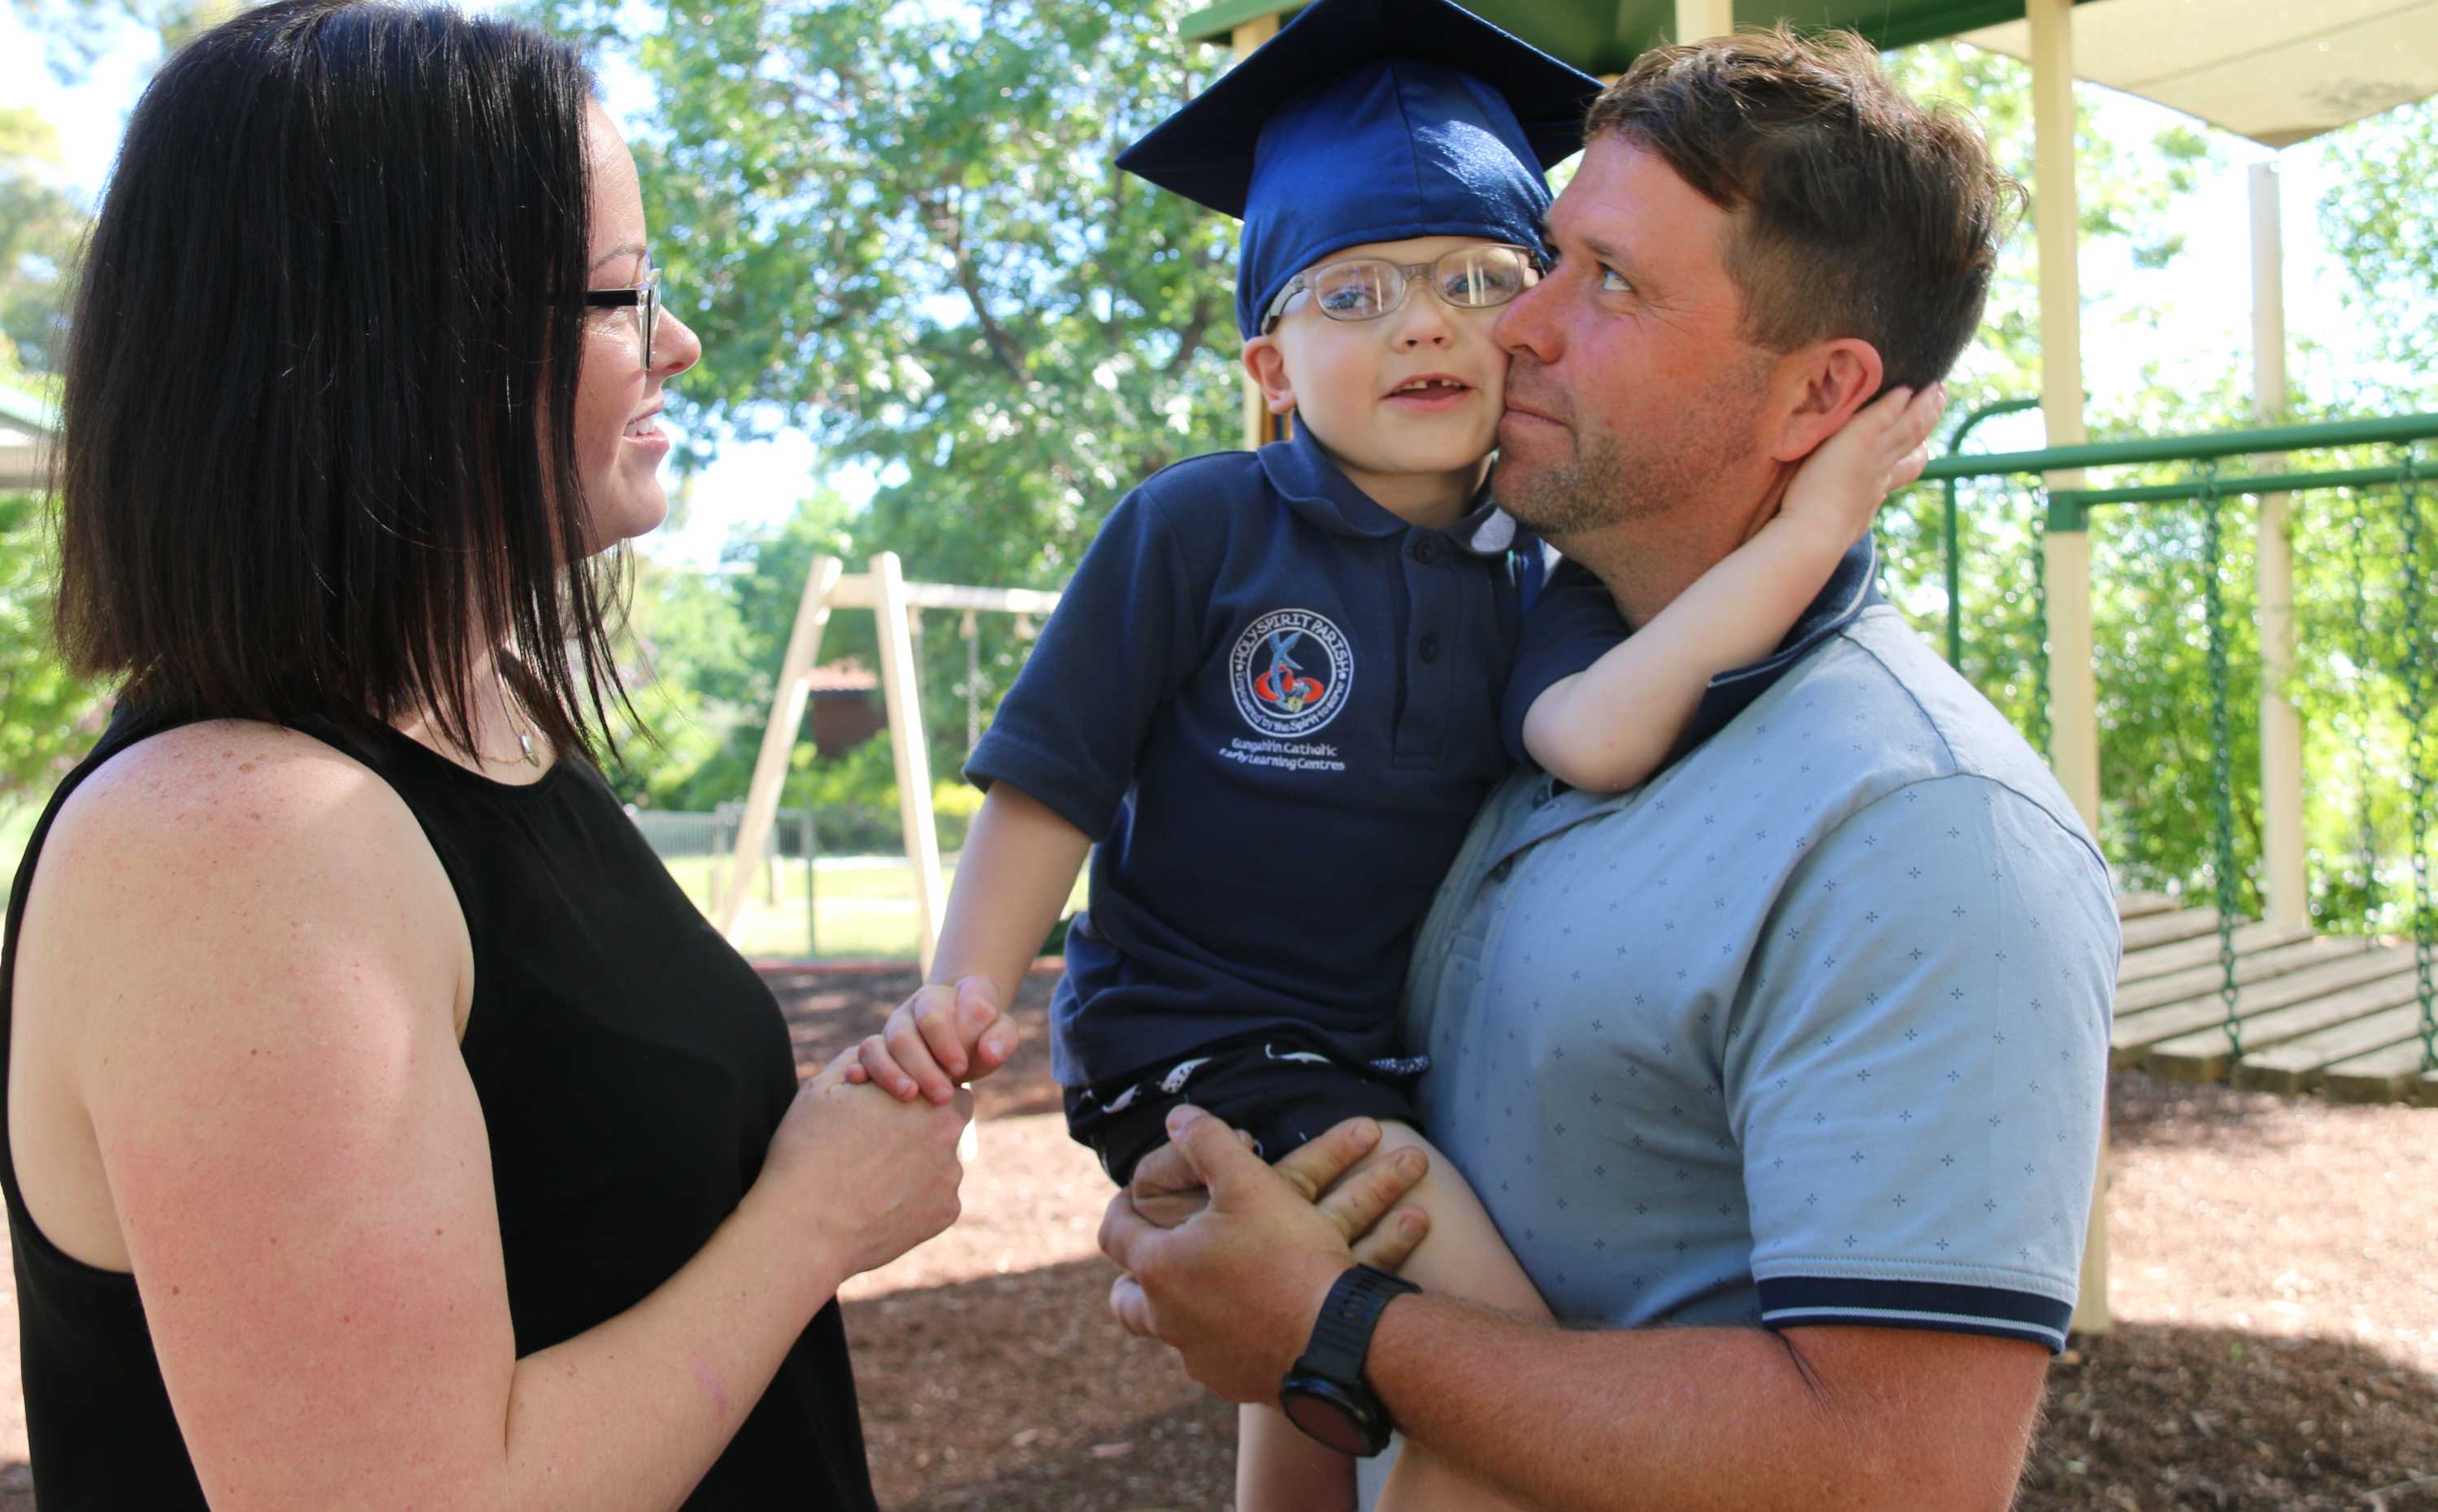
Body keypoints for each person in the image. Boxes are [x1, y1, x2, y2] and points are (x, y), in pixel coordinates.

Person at [844, 2, 1937, 1507]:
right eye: (1350, 292)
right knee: (1484, 1367)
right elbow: (1053, 781)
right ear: (1273, 364)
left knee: (1324, 1395)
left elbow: (1599, 735)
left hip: (1378, 1048)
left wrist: (1819, 524)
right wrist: (957, 1018)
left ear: (1533, 327)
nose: (1422, 322)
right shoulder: (1200, 529)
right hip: (1203, 1035)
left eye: (1479, 281)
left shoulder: (1533, 576)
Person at [1098, 26, 2121, 1512]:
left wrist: (1330, 1334)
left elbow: (1898, 1472)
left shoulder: (1922, 828)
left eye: (1612, 284)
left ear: (1816, 397)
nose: (1512, 326)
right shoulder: (1509, 694)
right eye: (1546, 258)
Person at [0, 4, 969, 1507]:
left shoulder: (488, 721)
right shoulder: (239, 841)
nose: (680, 342)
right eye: (621, 295)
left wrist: (802, 1133)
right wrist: (816, 1219)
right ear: (398, 337)